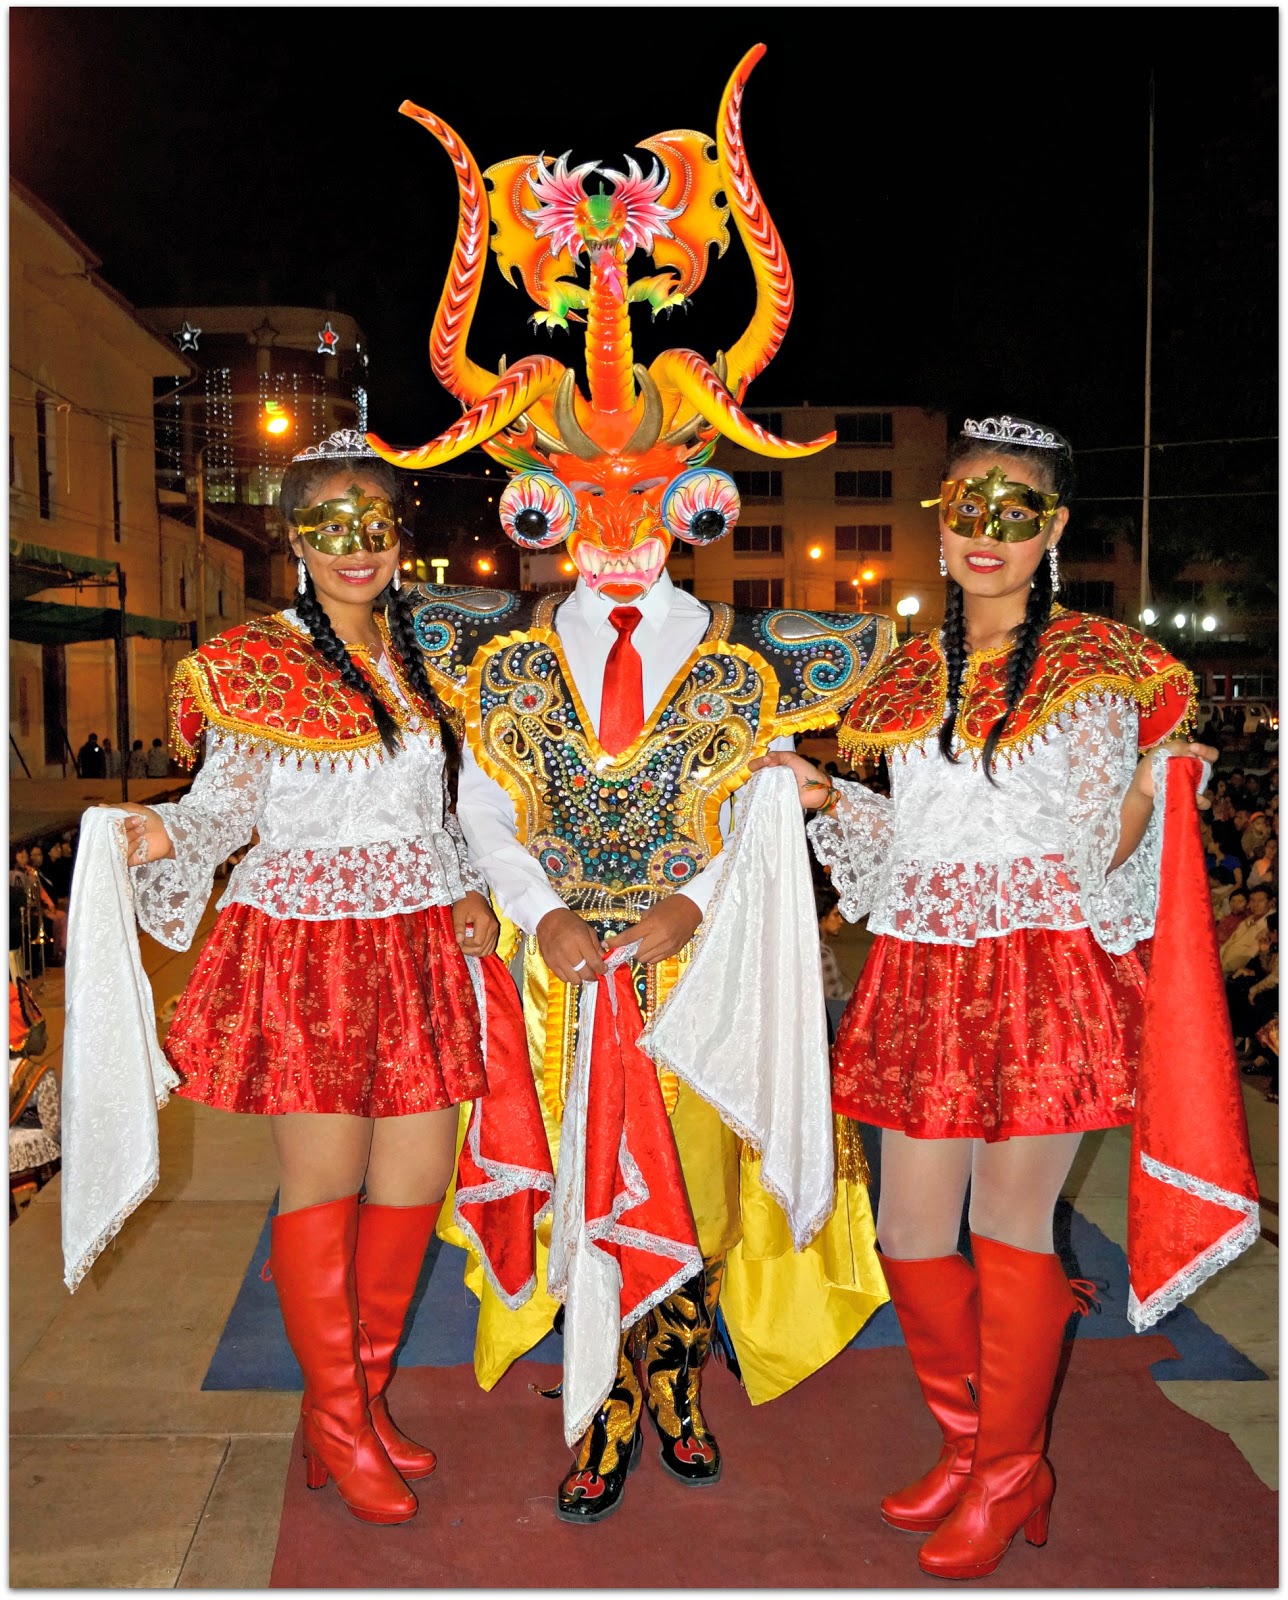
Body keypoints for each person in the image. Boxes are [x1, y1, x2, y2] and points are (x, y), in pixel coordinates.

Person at [375, 49, 891, 1527]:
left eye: (646, 495)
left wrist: (686, 906)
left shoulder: (744, 657)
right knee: (583, 1186)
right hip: (557, 973)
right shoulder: (507, 659)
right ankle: (598, 1400)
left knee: (703, 1183)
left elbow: (757, 799)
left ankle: (674, 1372)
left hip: (698, 961)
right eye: (577, 499)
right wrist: (538, 915)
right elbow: (483, 807)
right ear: (539, 497)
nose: (613, 527)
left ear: (692, 495)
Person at [759, 414, 1250, 1583]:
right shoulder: (907, 673)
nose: (983, 533)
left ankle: (1002, 1471)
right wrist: (835, 801)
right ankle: (982, 1443)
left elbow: (1085, 850)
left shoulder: (1098, 664)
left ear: (1054, 531)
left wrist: (1151, 783)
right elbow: (933, 844)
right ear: (939, 529)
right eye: (965, 508)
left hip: (1040, 966)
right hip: (929, 960)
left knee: (1006, 1228)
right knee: (909, 1231)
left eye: (1011, 512)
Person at [105, 432, 550, 1527]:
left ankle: (352, 1398)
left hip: (416, 947)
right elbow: (222, 808)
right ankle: (342, 1421)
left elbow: (435, 813)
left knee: (411, 1186)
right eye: (328, 527)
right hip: (308, 949)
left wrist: (463, 892)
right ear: (297, 541)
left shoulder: (430, 660)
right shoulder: (257, 663)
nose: (356, 548)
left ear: (398, 537)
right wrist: (158, 836)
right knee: (328, 1188)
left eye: (374, 524)